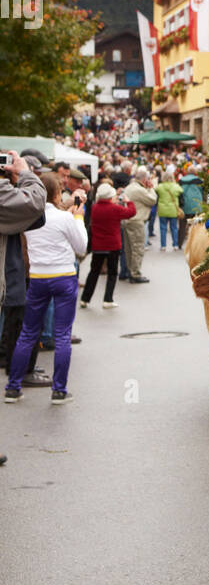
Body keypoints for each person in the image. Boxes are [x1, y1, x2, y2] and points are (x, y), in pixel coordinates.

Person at [4, 173, 88, 405]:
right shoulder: (63, 218)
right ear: (58, 193)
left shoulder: (28, 218)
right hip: (63, 275)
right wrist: (79, 217)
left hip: (38, 276)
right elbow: (81, 246)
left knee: (28, 333)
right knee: (62, 335)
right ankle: (59, 390)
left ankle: (13, 387)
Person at [0, 154, 49, 436]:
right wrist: (25, 173)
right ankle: (18, 376)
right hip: (17, 280)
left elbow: (32, 218)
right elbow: (33, 204)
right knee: (20, 325)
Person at [80, 184, 136, 308]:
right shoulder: (115, 209)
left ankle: (85, 298)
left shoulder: (95, 208)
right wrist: (129, 202)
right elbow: (131, 212)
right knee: (112, 273)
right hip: (112, 245)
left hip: (98, 245)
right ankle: (108, 299)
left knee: (94, 272)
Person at [121, 167, 156, 283]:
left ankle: (130, 271)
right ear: (144, 179)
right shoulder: (139, 190)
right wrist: (151, 188)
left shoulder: (130, 187)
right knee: (137, 248)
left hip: (128, 221)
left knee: (129, 249)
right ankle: (135, 274)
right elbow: (152, 200)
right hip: (136, 221)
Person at [156, 166, 182, 251]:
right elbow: (181, 191)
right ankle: (175, 245)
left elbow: (155, 190)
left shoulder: (160, 186)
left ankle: (163, 246)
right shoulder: (176, 186)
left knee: (163, 228)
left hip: (162, 210)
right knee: (174, 228)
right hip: (173, 210)